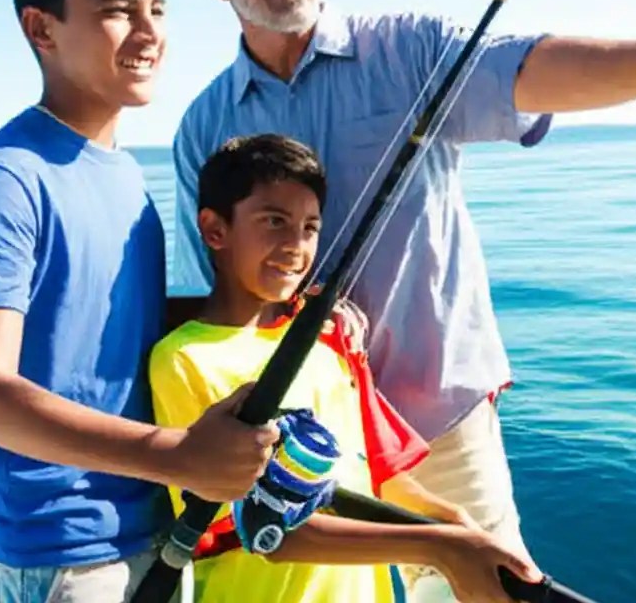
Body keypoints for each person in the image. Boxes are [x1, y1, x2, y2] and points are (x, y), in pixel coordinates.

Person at [171, 0, 636, 579]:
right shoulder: (203, 127)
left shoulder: (408, 49)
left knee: (497, 585)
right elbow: (215, 301)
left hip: (440, 426)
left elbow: (524, 68)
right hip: (304, 442)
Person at [0, 0, 279, 603]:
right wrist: (176, 455)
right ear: (42, 29)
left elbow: (118, 325)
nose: (150, 33)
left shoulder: (123, 173)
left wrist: (279, 308)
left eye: (157, 9)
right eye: (119, 11)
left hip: (149, 531)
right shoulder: (4, 177)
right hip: (61, 557)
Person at [150, 133, 543, 603]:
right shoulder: (183, 361)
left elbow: (368, 478)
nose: (296, 245)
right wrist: (440, 547)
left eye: (310, 227)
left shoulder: (324, 347)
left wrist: (453, 522)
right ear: (215, 230)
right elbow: (264, 531)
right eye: (274, 221)